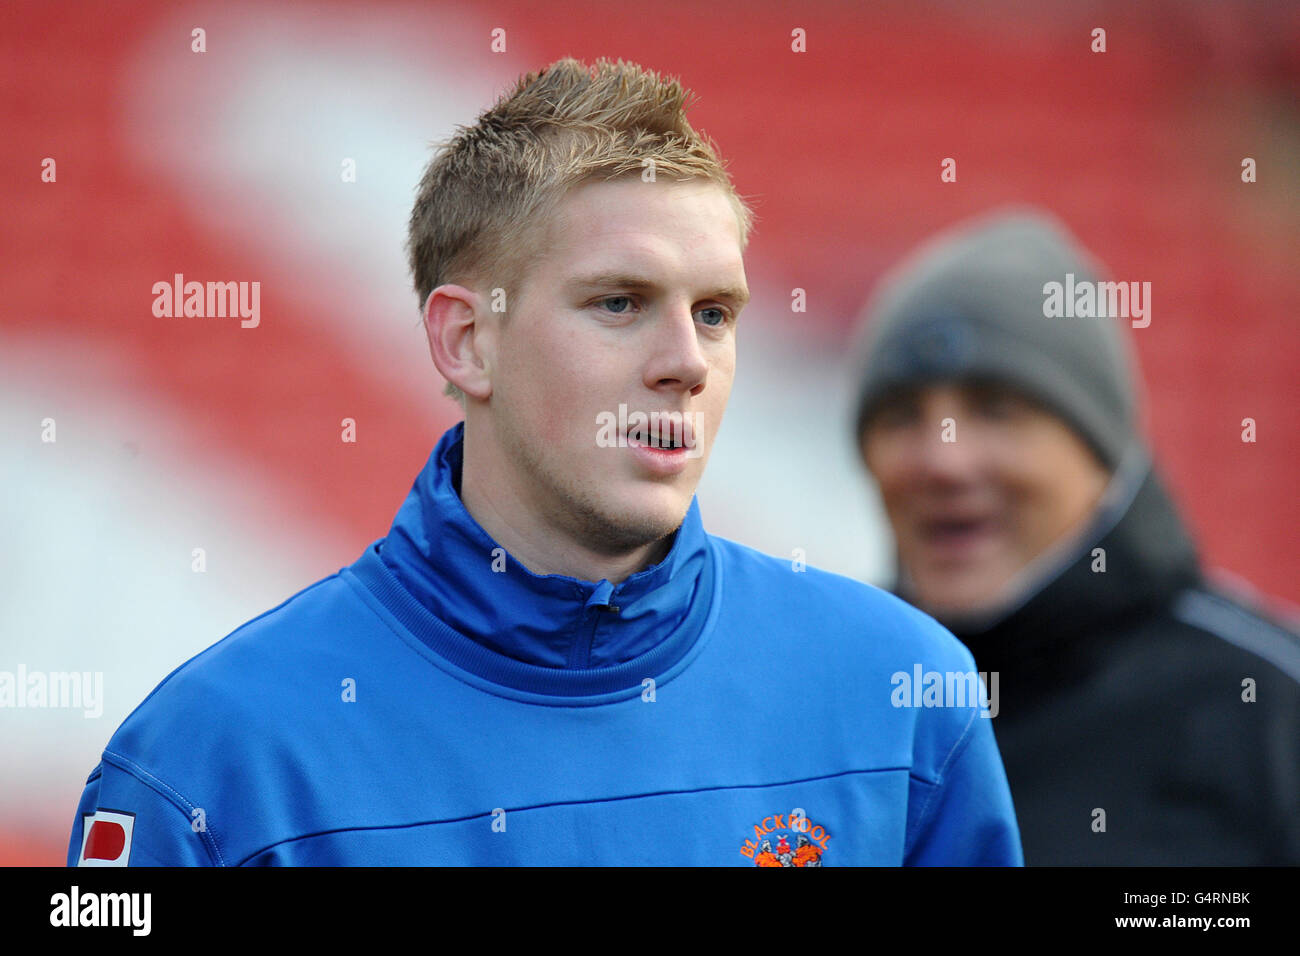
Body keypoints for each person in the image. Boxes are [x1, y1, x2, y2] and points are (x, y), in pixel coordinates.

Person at [67, 58, 1021, 867]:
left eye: (715, 313)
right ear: (467, 341)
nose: (686, 363)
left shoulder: (902, 700)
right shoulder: (210, 760)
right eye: (618, 302)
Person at [850, 208, 1300, 865]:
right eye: (900, 416)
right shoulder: (830, 693)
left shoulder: (1267, 708)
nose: (942, 460)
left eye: (997, 409)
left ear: (1101, 451)